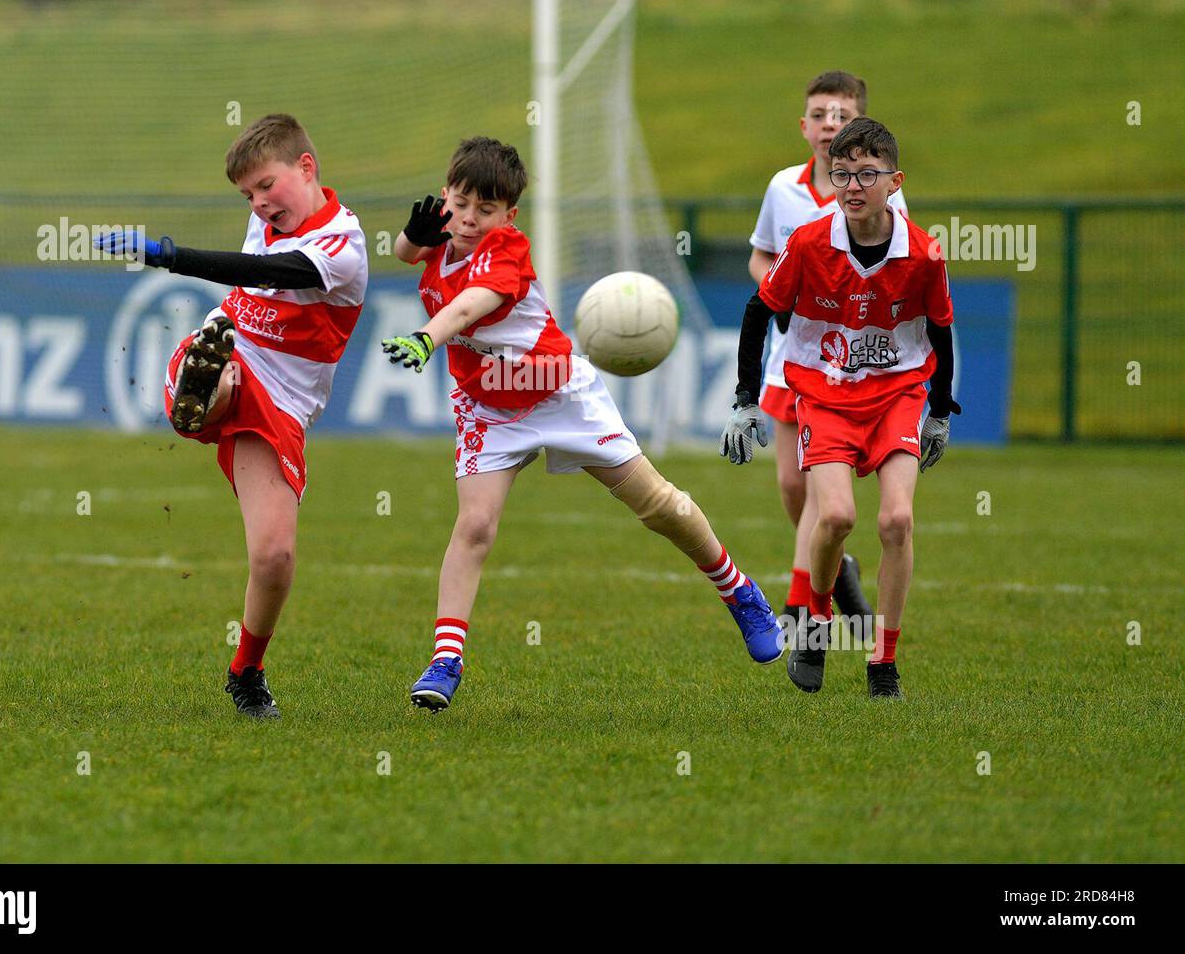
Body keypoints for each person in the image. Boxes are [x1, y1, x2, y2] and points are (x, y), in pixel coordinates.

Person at [382, 136, 782, 711]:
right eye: (461, 202)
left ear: (508, 216)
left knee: (660, 507)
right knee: (475, 527)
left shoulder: (508, 250)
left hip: (557, 392)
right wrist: (411, 238)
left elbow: (469, 305)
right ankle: (446, 661)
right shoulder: (442, 234)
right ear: (446, 195)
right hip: (488, 406)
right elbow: (407, 253)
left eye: (485, 209)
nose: (470, 219)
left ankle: (738, 590)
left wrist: (426, 336)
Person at [94, 113, 368, 719]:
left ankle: (246, 671)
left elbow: (267, 272)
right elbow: (252, 277)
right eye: (248, 195)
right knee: (217, 364)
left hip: (284, 404)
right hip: (234, 348)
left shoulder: (342, 246)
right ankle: (200, 387)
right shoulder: (269, 213)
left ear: (307, 167)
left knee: (274, 557)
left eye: (267, 186)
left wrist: (169, 255)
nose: (260, 203)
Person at [721, 117, 959, 699]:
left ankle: (884, 663)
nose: (852, 185)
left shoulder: (923, 252)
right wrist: (746, 402)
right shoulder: (808, 241)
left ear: (894, 181)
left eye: (867, 175)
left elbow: (942, 330)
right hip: (824, 396)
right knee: (835, 518)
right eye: (843, 174)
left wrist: (940, 410)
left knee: (896, 520)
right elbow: (758, 312)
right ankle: (816, 624)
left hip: (898, 395)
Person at [748, 71, 908, 639]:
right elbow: (762, 258)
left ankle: (800, 611)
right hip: (787, 356)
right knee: (793, 487)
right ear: (804, 125)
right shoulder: (782, 189)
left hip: (845, 366)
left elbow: (898, 267)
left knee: (821, 491)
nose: (828, 125)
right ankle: (839, 576)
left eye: (840, 115)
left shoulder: (881, 192)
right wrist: (782, 294)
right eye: (819, 115)